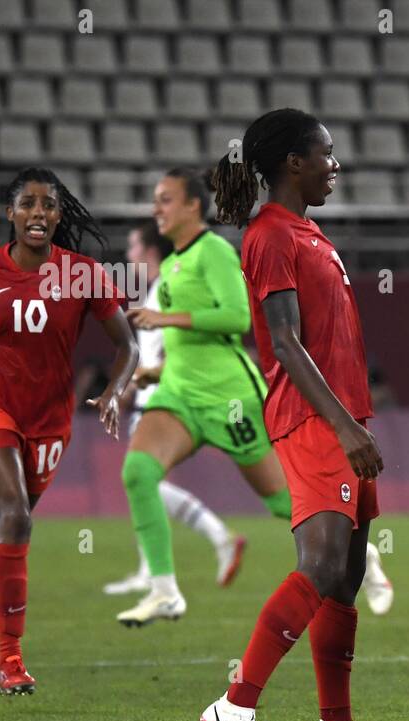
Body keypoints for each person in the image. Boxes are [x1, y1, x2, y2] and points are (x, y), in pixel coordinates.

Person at [198, 108, 409, 721]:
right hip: (313, 421)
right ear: (293, 162)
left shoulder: (307, 233)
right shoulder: (268, 237)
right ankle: (235, 706)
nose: (335, 165)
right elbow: (284, 343)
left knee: (344, 576)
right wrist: (344, 427)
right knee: (318, 564)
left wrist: (355, 420)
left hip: (344, 417)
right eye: (326, 153)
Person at [0, 167, 137, 694]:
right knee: (15, 515)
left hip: (49, 418)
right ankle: (11, 660)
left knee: (3, 527)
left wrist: (114, 390)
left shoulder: (82, 274)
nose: (39, 213)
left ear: (59, 216)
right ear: (9, 214)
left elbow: (126, 345)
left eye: (49, 205)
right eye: (28, 204)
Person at [116, 168, 292, 626]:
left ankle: (364, 552)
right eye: (155, 200)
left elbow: (237, 317)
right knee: (138, 471)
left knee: (282, 504)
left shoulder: (214, 250)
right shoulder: (173, 263)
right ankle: (164, 591)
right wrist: (152, 372)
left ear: (193, 205)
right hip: (179, 395)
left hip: (228, 396)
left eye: (165, 199)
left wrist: (167, 319)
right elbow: (185, 345)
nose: (157, 208)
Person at [103, 218, 248, 599]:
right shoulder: (154, 293)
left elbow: (174, 352)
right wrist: (127, 389)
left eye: (132, 247)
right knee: (145, 483)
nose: (128, 255)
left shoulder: (164, 293)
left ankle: (216, 538)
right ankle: (151, 569)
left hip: (165, 402)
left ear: (149, 251)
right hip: (154, 398)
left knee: (141, 481)